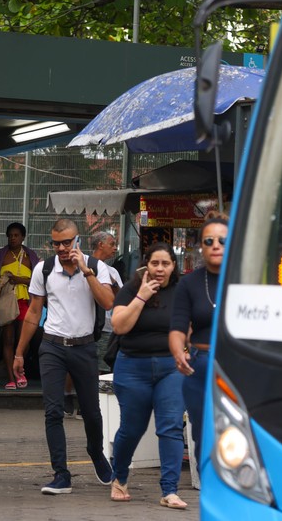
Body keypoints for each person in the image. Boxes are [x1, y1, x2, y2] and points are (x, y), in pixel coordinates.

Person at [14, 218, 115, 495]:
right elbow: (34, 313)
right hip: (52, 347)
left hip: (84, 348)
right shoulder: (44, 269)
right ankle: (61, 474)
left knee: (92, 413)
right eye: (56, 243)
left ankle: (96, 453)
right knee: (53, 411)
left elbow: (107, 303)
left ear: (77, 240)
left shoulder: (96, 267)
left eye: (66, 242)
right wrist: (19, 353)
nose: (61, 248)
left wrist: (86, 271)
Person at [110, 242, 186, 508]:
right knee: (132, 429)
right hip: (133, 368)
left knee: (171, 427)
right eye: (155, 263)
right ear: (146, 264)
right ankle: (119, 476)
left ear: (173, 266)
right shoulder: (131, 289)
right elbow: (119, 326)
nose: (160, 269)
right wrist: (141, 296)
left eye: (165, 263)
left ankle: (170, 490)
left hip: (171, 368)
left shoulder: (181, 292)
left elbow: (191, 326)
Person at [169, 216, 229, 471]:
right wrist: (178, 353)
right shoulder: (189, 283)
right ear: (200, 247)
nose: (216, 245)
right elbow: (177, 328)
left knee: (234, 434)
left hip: (236, 366)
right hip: (201, 365)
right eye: (209, 241)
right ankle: (210, 491)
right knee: (203, 435)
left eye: (223, 240)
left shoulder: (246, 278)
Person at [0, 222, 40, 389]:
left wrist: (20, 280)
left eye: (16, 235)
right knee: (8, 340)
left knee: (23, 340)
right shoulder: (1, 255)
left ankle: (19, 373)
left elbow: (39, 280)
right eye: (10, 235)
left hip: (26, 300)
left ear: (23, 237)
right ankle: (10, 378)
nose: (13, 238)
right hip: (7, 301)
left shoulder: (30, 256)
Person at [90, 231, 122, 375]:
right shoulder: (82, 265)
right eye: (112, 244)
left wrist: (111, 281)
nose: (115, 248)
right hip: (86, 327)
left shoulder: (112, 271)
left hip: (107, 326)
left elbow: (121, 298)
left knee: (103, 369)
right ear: (100, 245)